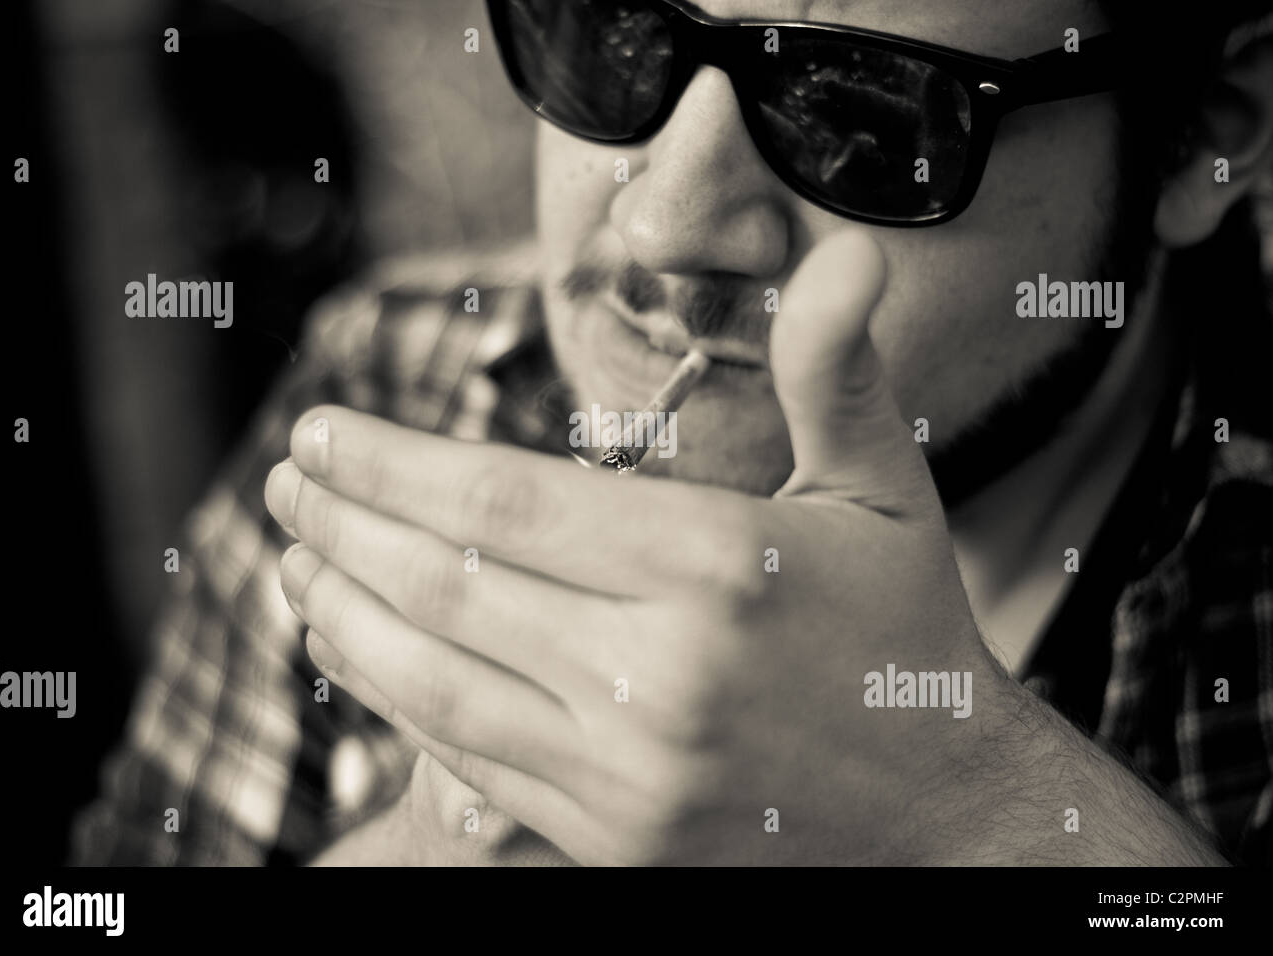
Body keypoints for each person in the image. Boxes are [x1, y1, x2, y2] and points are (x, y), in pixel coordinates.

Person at [72, 0, 1273, 866]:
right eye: (614, 38)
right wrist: (432, 844)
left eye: (859, 110)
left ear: (1210, 129)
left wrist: (974, 804)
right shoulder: (398, 382)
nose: (659, 222)